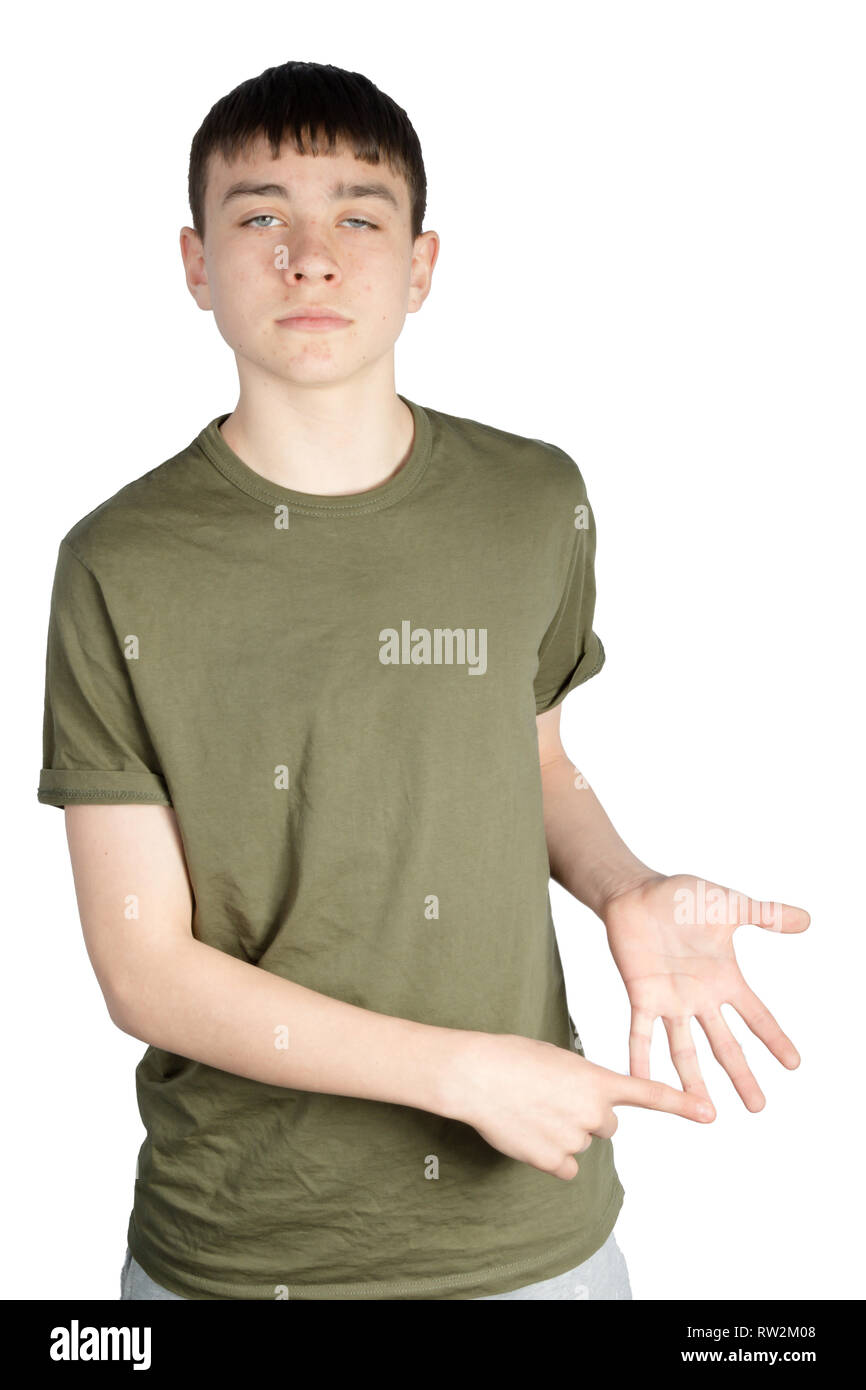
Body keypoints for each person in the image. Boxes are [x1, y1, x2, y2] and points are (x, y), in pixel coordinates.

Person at [37, 59, 809, 1302]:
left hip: (529, 1238)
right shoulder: (117, 563)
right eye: (259, 216)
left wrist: (624, 886)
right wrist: (459, 1072)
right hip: (239, 1246)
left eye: (358, 218)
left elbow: (532, 760)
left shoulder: (532, 501)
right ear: (195, 263)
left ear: (421, 264)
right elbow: (144, 970)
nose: (309, 258)